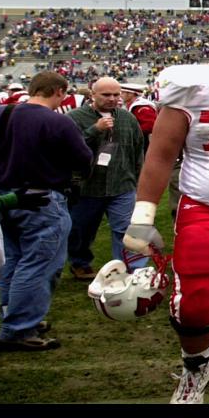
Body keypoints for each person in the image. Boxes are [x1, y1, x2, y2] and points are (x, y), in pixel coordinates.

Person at [115, 64, 209, 403]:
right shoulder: (193, 89)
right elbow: (161, 154)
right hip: (206, 207)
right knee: (197, 302)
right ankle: (196, 366)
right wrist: (143, 217)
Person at [0, 70, 92, 352]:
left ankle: (14, 316)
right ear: (60, 92)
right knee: (39, 264)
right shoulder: (57, 121)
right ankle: (18, 327)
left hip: (5, 196)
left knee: (14, 260)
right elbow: (83, 158)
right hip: (42, 197)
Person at [66, 77, 148, 279]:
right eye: (106, 95)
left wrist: (138, 177)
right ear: (92, 95)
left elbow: (138, 149)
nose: (112, 99)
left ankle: (132, 270)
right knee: (81, 231)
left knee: (126, 229)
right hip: (87, 187)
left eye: (116, 94)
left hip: (122, 185)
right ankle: (79, 262)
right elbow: (68, 149)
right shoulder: (74, 118)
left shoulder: (127, 118)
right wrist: (95, 130)